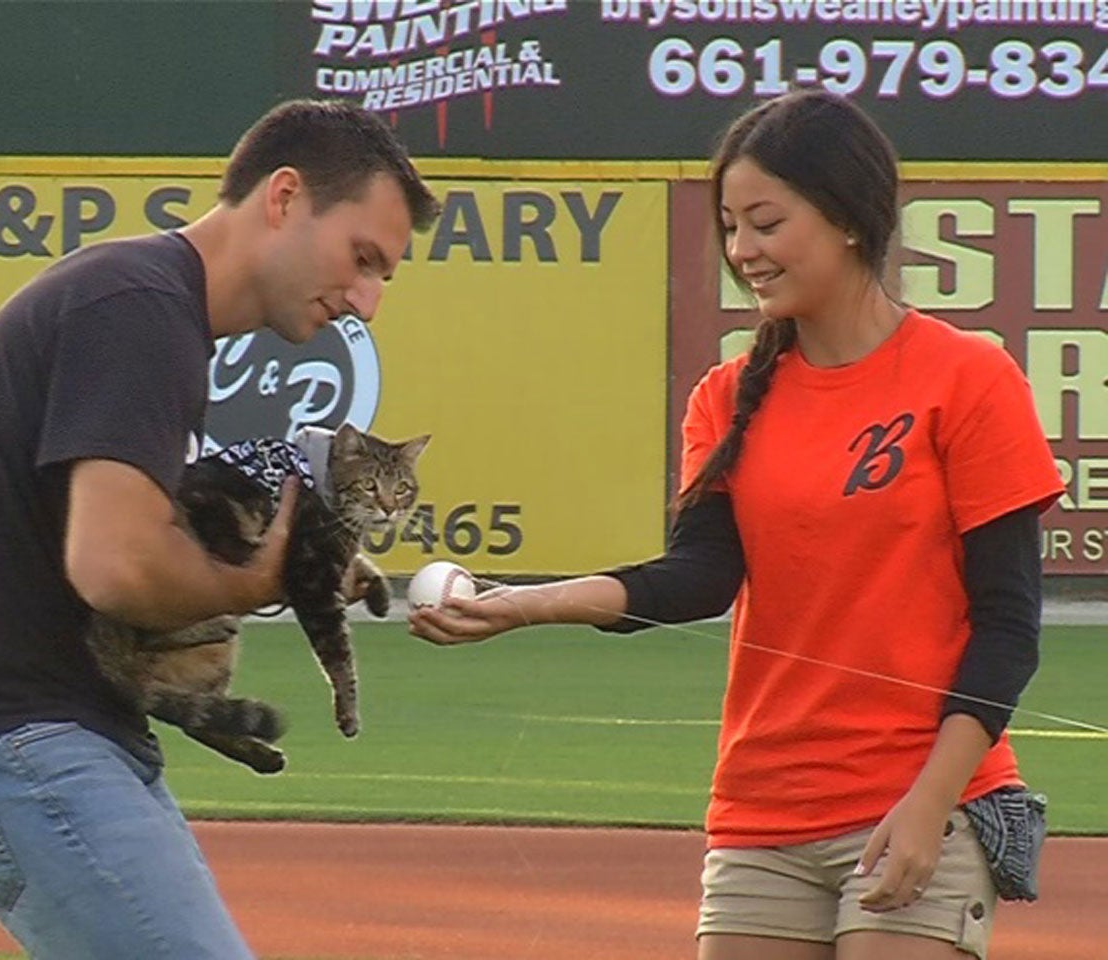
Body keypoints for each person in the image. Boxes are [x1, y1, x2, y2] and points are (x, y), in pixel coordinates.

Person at [410, 89, 1063, 960]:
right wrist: (521, 605)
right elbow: (697, 578)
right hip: (764, 812)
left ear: (848, 220)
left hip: (921, 805)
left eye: (765, 222)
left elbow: (1009, 626)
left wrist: (931, 805)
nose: (741, 251)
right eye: (729, 227)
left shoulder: (969, 378)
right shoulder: (725, 398)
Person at [0, 99, 440, 960]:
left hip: (48, 734)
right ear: (283, 197)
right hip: (15, 738)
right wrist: (255, 581)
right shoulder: (137, 307)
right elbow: (117, 565)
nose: (366, 299)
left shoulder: (145, 303)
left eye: (384, 276)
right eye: (362, 259)